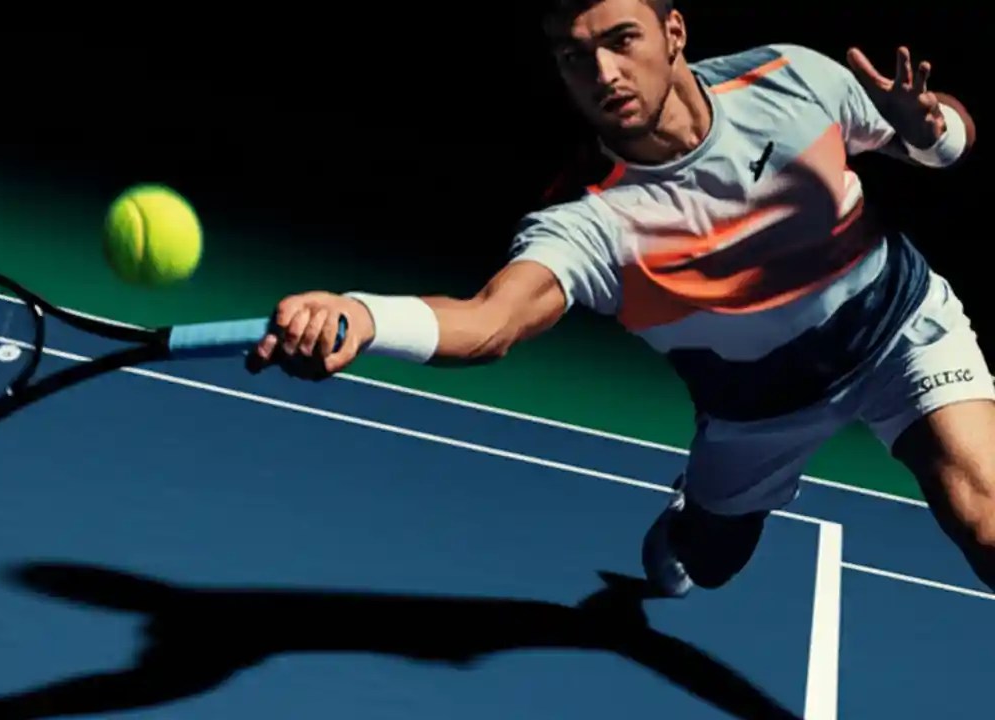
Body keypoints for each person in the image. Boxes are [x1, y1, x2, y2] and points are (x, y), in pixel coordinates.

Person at [247, 0, 991, 597]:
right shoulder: (588, 217)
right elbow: (489, 322)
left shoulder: (790, 79)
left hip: (899, 333)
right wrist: (363, 314)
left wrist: (936, 129)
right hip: (756, 409)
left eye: (621, 38)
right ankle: (689, 519)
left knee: (984, 520)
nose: (603, 72)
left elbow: (934, 140)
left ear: (674, 32)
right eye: (575, 55)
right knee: (708, 563)